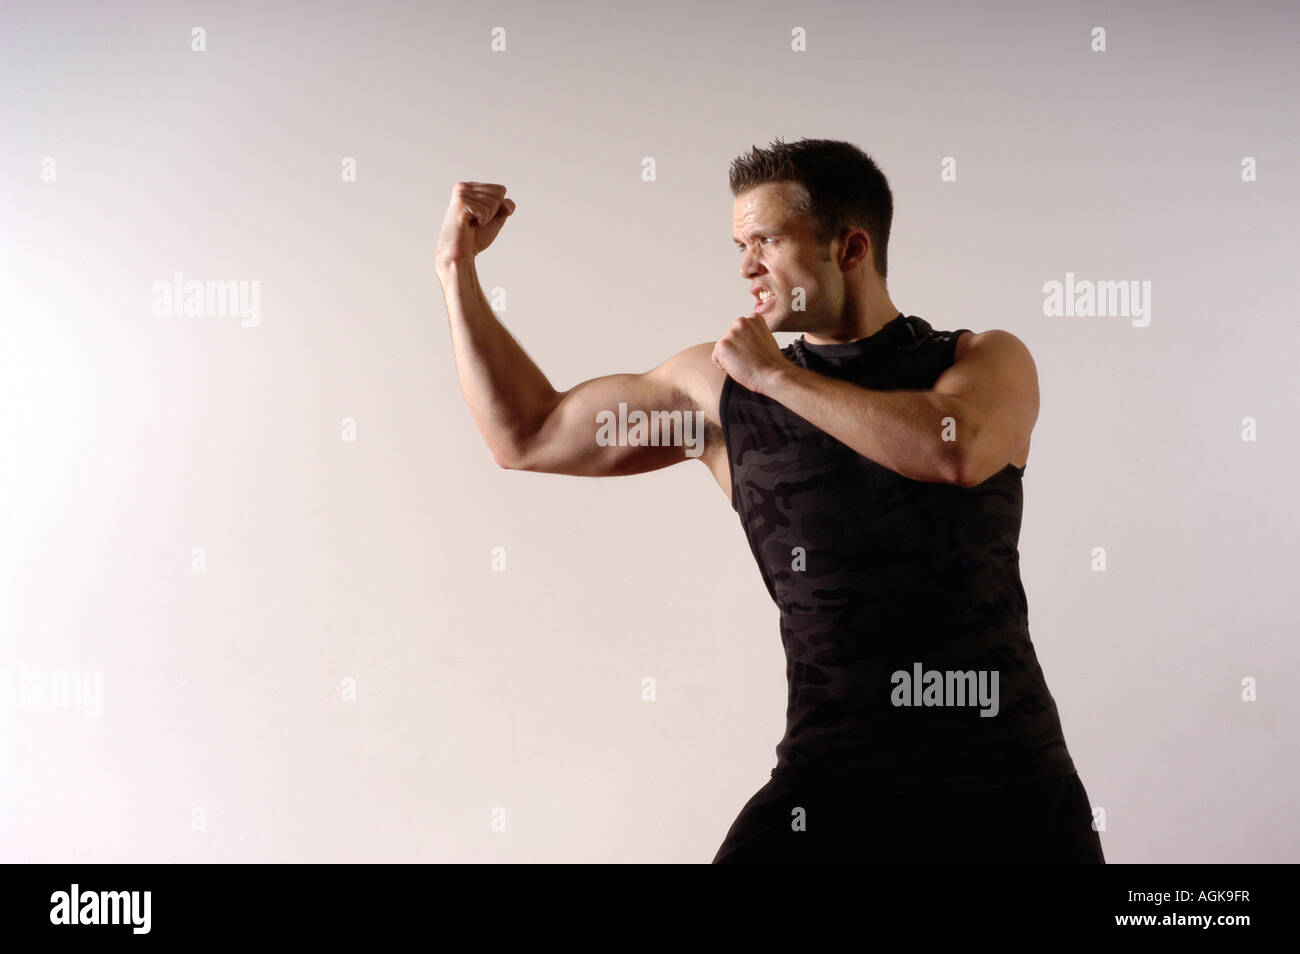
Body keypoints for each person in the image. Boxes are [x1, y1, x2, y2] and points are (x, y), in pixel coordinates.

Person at [436, 137, 1104, 864]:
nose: (746, 265)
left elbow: (956, 449)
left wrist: (780, 379)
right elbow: (527, 434)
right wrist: (456, 269)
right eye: (739, 244)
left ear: (850, 248)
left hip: (1007, 788)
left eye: (768, 240)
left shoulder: (979, 360)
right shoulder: (718, 393)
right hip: (829, 784)